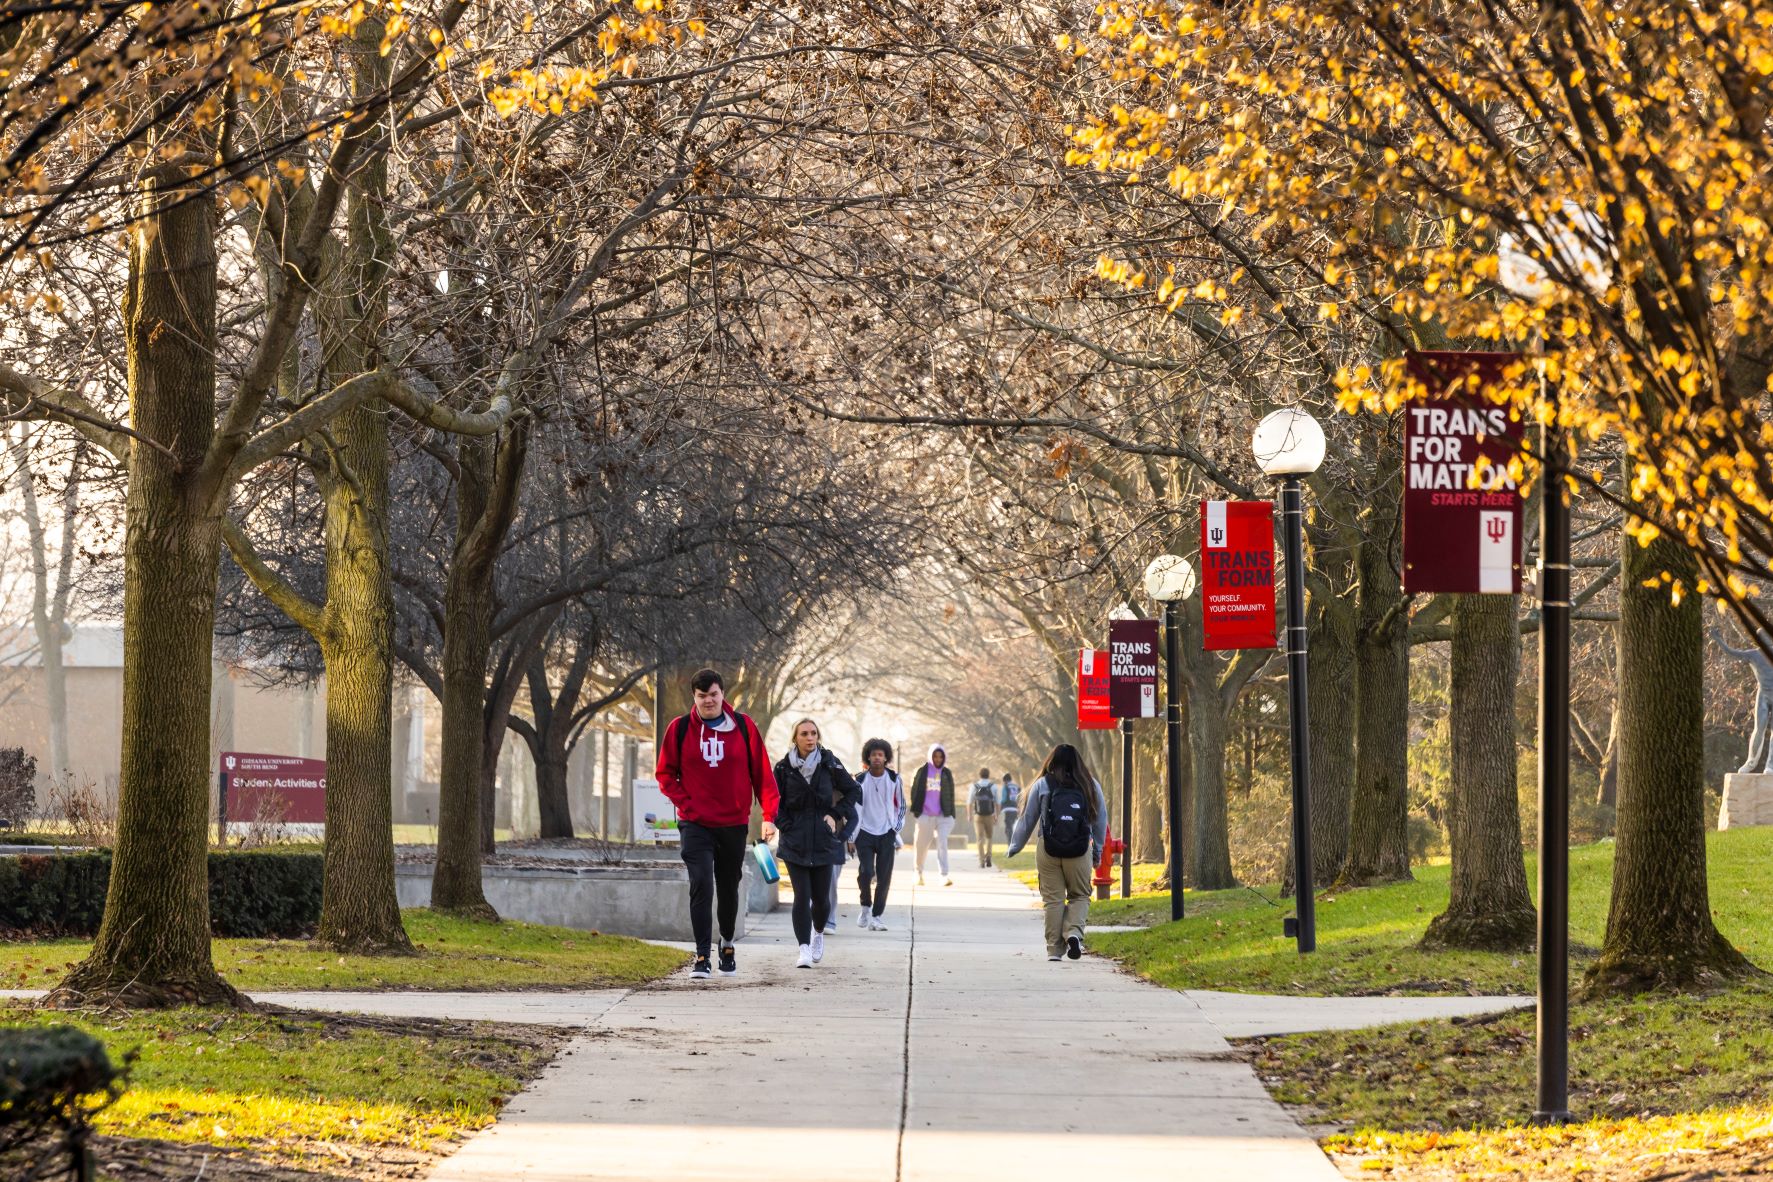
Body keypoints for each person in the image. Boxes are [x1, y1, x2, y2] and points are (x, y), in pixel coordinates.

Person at [657, 669, 777, 980]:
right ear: (694, 697)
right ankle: (701, 956)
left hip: (733, 822)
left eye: (713, 694)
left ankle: (726, 943)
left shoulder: (743, 727)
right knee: (701, 883)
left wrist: (769, 815)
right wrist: (687, 804)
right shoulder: (679, 729)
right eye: (702, 696)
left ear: (723, 694)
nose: (708, 701)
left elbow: (763, 774)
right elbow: (665, 774)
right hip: (695, 823)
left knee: (728, 886)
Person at [768, 718, 860, 969]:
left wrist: (835, 814)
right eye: (804, 734)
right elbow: (774, 800)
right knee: (802, 895)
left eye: (813, 733)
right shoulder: (783, 768)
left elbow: (854, 791)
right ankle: (804, 949)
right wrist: (785, 825)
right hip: (795, 841)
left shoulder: (830, 763)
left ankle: (818, 933)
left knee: (821, 899)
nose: (810, 738)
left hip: (823, 840)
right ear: (795, 738)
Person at [1005, 744, 1109, 962]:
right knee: (1079, 895)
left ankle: (1054, 950)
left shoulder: (1043, 784)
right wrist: (1097, 850)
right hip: (1080, 849)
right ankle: (1073, 933)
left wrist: (1015, 846)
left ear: (1051, 762)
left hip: (1048, 848)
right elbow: (1100, 821)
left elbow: (1027, 819)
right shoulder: (1091, 785)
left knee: (1053, 900)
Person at [848, 738, 905, 929]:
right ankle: (865, 906)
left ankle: (876, 917)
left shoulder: (894, 779)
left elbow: (901, 806)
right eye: (874, 755)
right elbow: (853, 809)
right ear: (868, 757)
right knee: (866, 872)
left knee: (884, 877)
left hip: (887, 832)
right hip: (864, 832)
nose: (877, 758)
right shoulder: (860, 780)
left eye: (881, 755)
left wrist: (895, 828)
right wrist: (851, 837)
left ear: (886, 757)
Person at [908, 743, 956, 886]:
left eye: (940, 756)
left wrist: (951, 814)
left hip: (942, 815)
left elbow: (951, 794)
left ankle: (943, 875)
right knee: (921, 846)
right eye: (935, 756)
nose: (938, 759)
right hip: (925, 815)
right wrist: (917, 812)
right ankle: (918, 873)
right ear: (931, 756)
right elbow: (914, 791)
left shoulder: (946, 773)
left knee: (942, 842)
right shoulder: (921, 771)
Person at [968, 766, 999, 868]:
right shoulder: (993, 786)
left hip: (978, 816)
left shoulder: (974, 786)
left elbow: (969, 802)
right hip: (990, 815)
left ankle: (981, 861)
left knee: (979, 838)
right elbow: (997, 803)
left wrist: (969, 815)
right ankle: (988, 856)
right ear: (988, 775)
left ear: (980, 775)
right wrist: (996, 815)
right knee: (989, 837)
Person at [999, 772, 1022, 849]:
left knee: (1008, 828)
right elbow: (1020, 799)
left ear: (1005, 780)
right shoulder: (1017, 787)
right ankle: (1015, 842)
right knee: (1014, 826)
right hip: (1015, 809)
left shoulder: (1006, 786)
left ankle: (1010, 844)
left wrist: (1000, 806)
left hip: (1007, 809)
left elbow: (1004, 798)